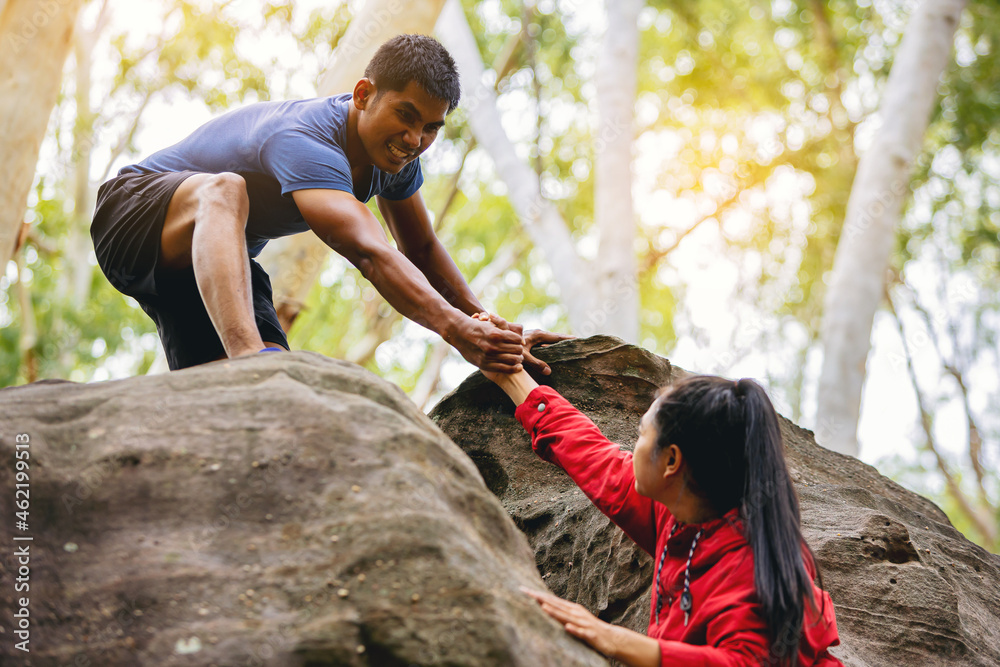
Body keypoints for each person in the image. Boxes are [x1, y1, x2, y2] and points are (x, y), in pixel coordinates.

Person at [90, 34, 560, 373]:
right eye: (405, 116)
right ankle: (246, 358)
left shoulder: (396, 160)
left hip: (205, 274)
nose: (414, 140)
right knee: (225, 189)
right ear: (363, 94)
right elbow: (369, 252)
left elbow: (420, 248)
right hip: (131, 217)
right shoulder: (304, 139)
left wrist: (485, 322)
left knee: (273, 382)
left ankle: (253, 368)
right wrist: (457, 332)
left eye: (431, 128)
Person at [480, 326, 843, 666]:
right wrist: (508, 372)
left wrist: (610, 638)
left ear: (671, 461)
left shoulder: (745, 566)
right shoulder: (681, 511)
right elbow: (590, 454)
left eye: (641, 434)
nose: (630, 447)